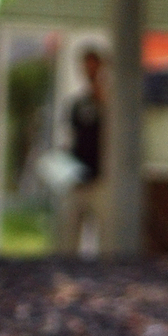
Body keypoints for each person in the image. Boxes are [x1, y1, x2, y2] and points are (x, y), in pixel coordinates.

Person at [57, 48, 108, 256]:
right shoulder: (77, 103)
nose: (89, 70)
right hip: (78, 178)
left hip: (102, 179)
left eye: (93, 65)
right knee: (69, 236)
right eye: (86, 66)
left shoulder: (109, 102)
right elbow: (71, 137)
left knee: (106, 236)